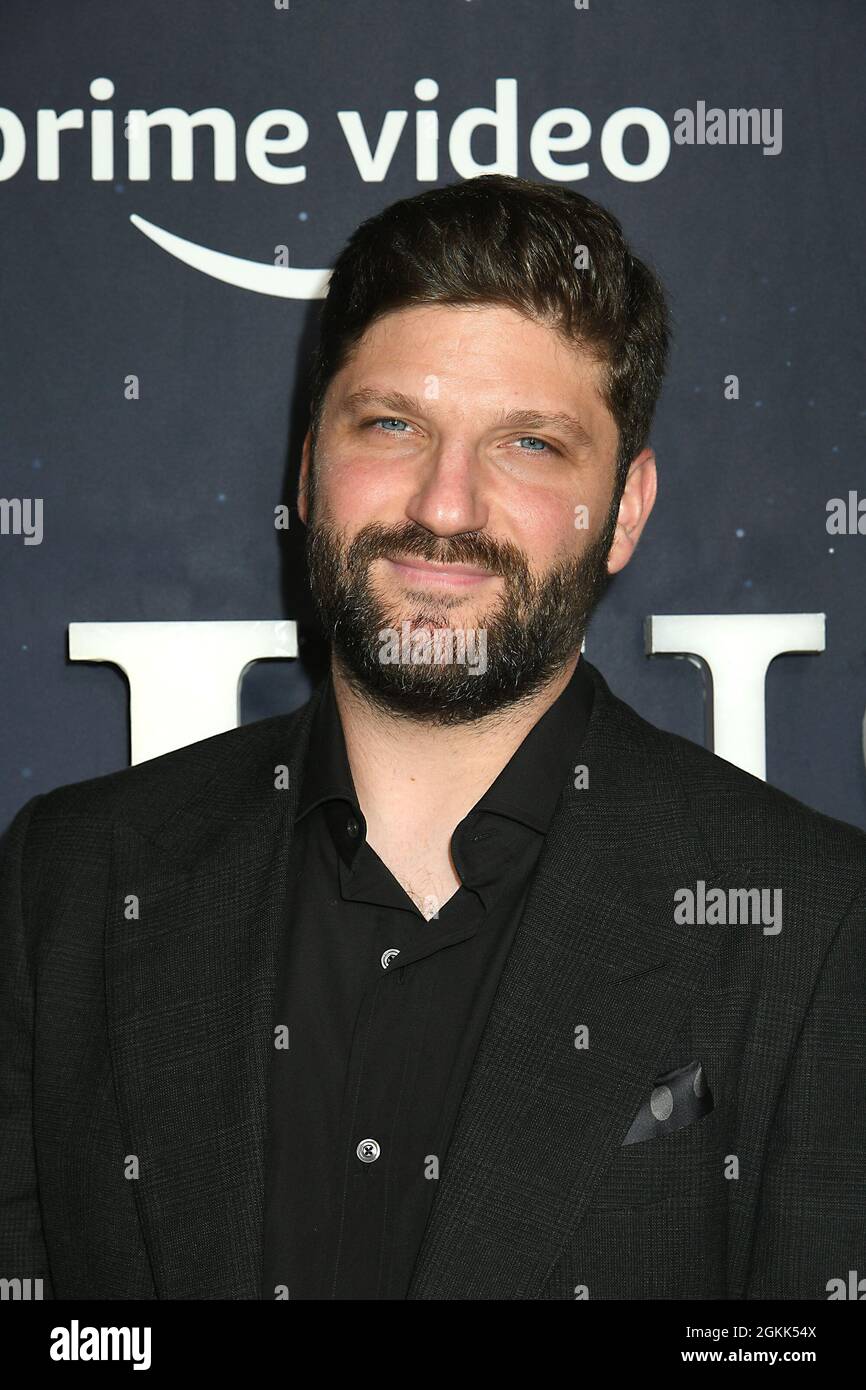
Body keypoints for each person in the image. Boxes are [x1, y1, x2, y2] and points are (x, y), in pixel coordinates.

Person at [1, 174, 864, 1301]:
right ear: (307, 465)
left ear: (626, 510)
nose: (445, 506)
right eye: (393, 423)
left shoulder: (808, 922)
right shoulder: (69, 883)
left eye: (529, 445)